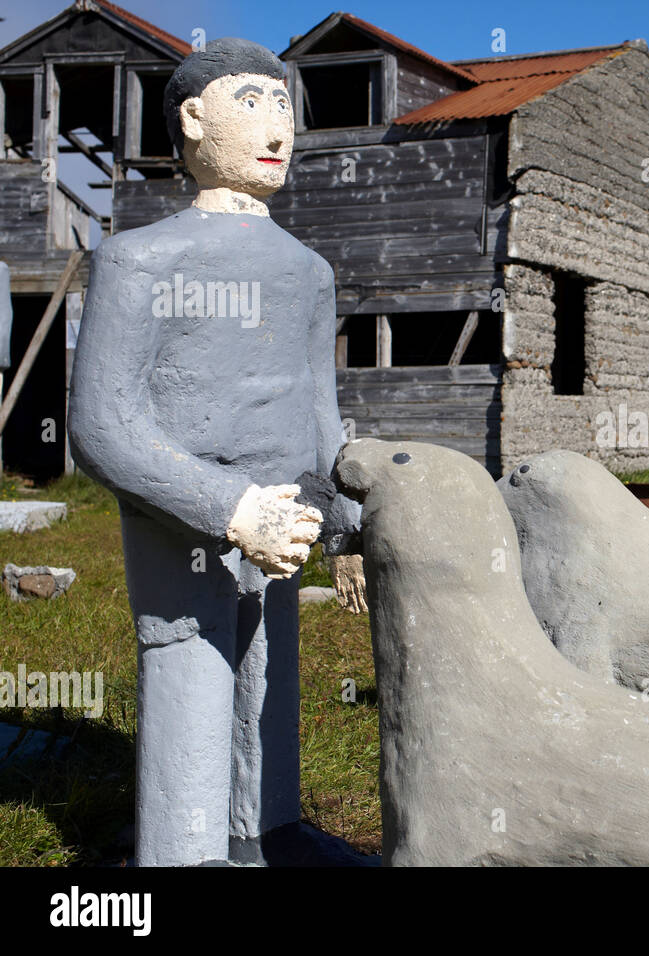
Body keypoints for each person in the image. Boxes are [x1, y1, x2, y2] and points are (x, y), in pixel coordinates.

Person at [68, 38, 364, 866]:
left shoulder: (307, 271)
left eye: (284, 107)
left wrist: (343, 532)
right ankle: (181, 851)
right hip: (182, 523)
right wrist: (231, 510)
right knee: (191, 668)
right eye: (252, 103)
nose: (279, 128)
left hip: (289, 520)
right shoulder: (138, 260)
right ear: (193, 117)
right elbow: (101, 425)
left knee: (273, 679)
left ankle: (269, 828)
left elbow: (318, 409)